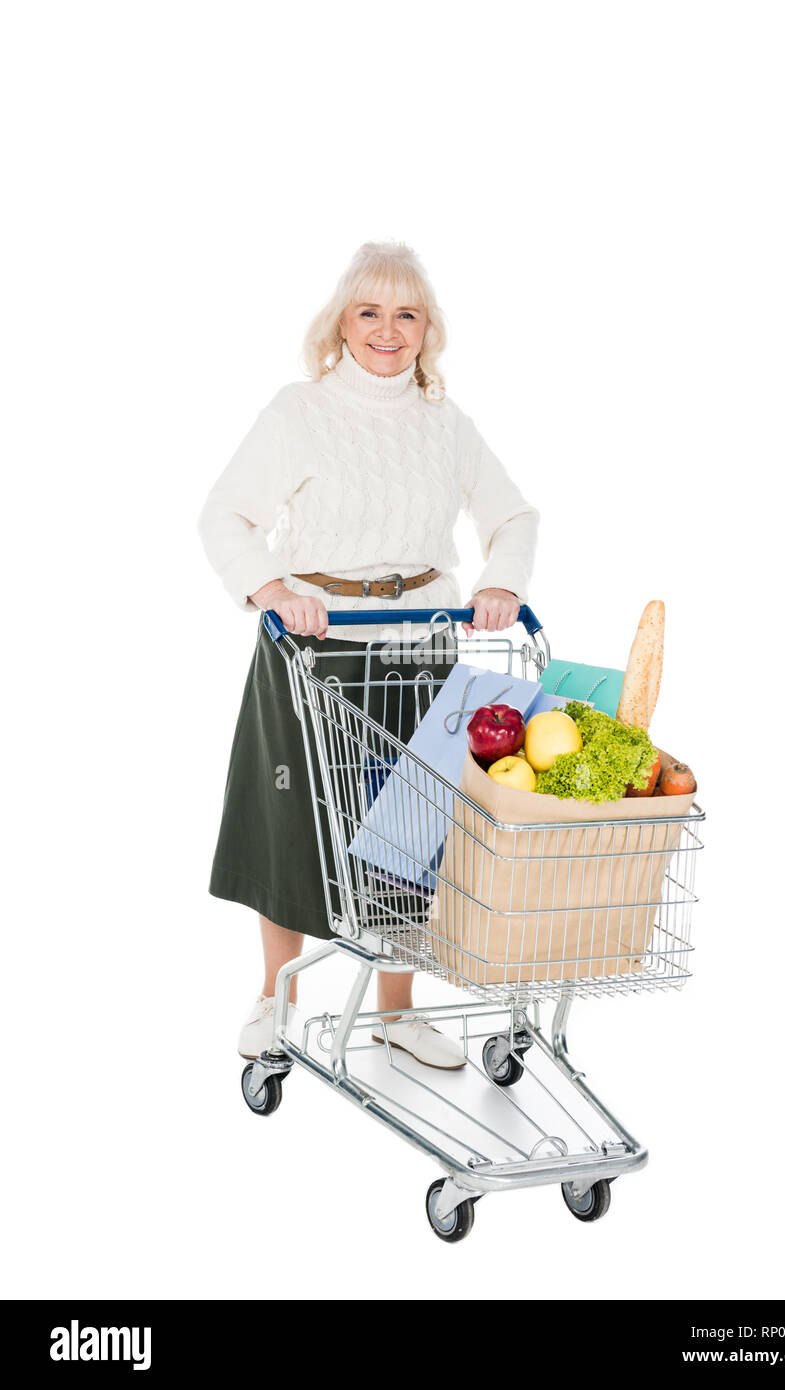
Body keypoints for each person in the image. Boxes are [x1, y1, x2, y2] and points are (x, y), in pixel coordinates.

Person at [199, 240, 539, 1067]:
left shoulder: (444, 423)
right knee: (291, 824)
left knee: (408, 830)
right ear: (341, 323)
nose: (387, 330)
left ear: (427, 330)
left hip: (418, 640)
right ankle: (273, 999)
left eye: (406, 314)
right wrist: (275, 591)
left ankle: (394, 1013)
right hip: (313, 642)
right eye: (369, 312)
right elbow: (225, 517)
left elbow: (514, 518)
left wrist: (498, 584)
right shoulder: (298, 411)